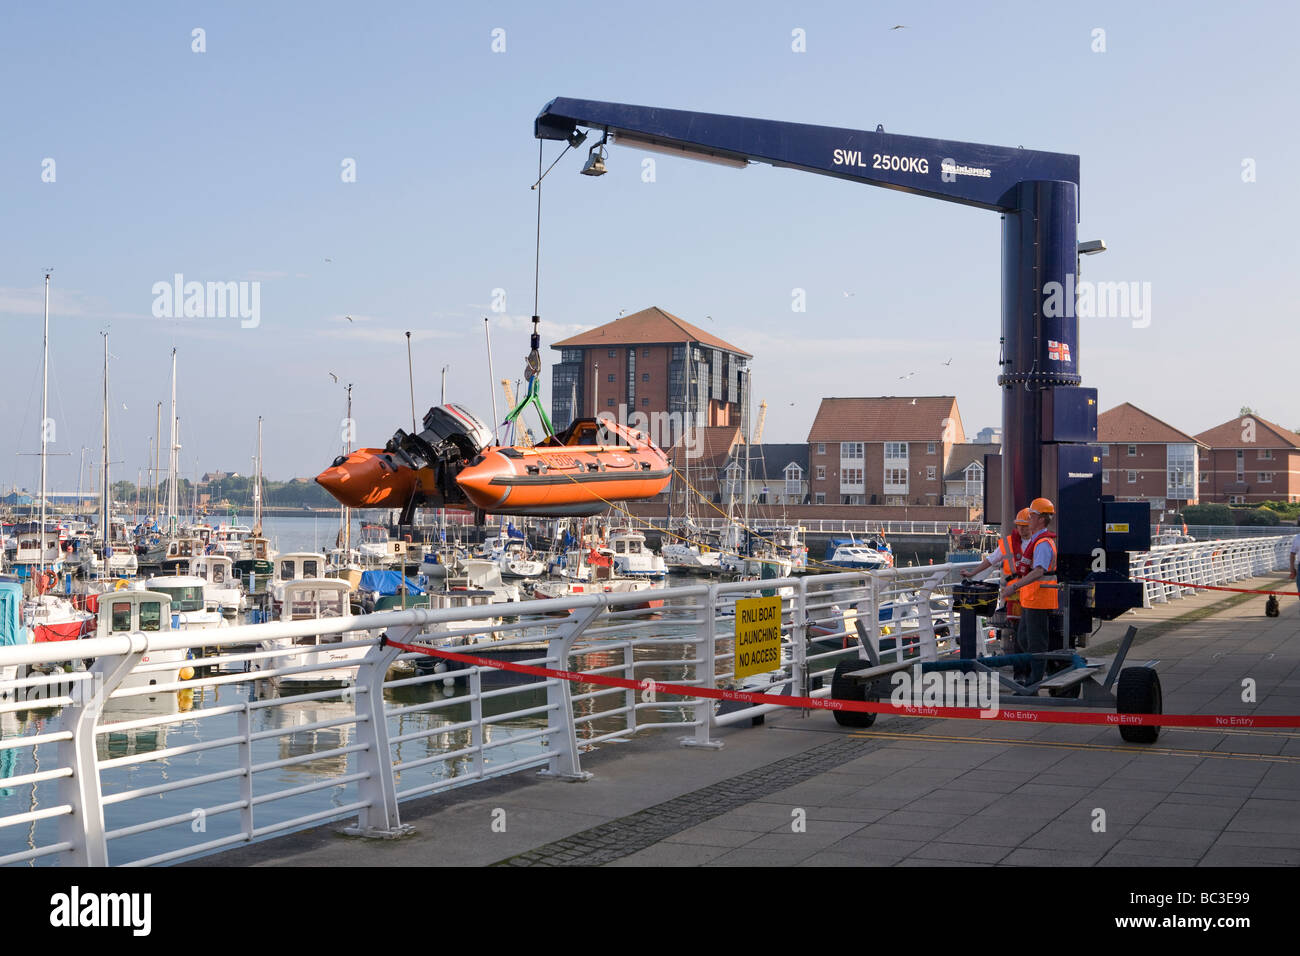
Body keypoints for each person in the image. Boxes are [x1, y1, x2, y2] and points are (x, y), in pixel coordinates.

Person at [963, 509, 1032, 675]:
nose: (1022, 529)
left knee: (1030, 637)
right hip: (1015, 599)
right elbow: (990, 560)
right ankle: (1021, 673)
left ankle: (1029, 672)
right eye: (1019, 526)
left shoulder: (1038, 542)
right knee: (1018, 637)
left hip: (1034, 597)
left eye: (1025, 526)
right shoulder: (1008, 543)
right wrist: (973, 573)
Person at [1001, 498, 1057, 687]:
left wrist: (1013, 587)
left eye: (1032, 516)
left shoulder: (1042, 543)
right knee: (1024, 639)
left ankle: (1034, 682)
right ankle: (1046, 669)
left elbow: (1039, 571)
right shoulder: (1037, 541)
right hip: (1030, 600)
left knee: (1036, 643)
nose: (1029, 519)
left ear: (1041, 519)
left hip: (1039, 600)